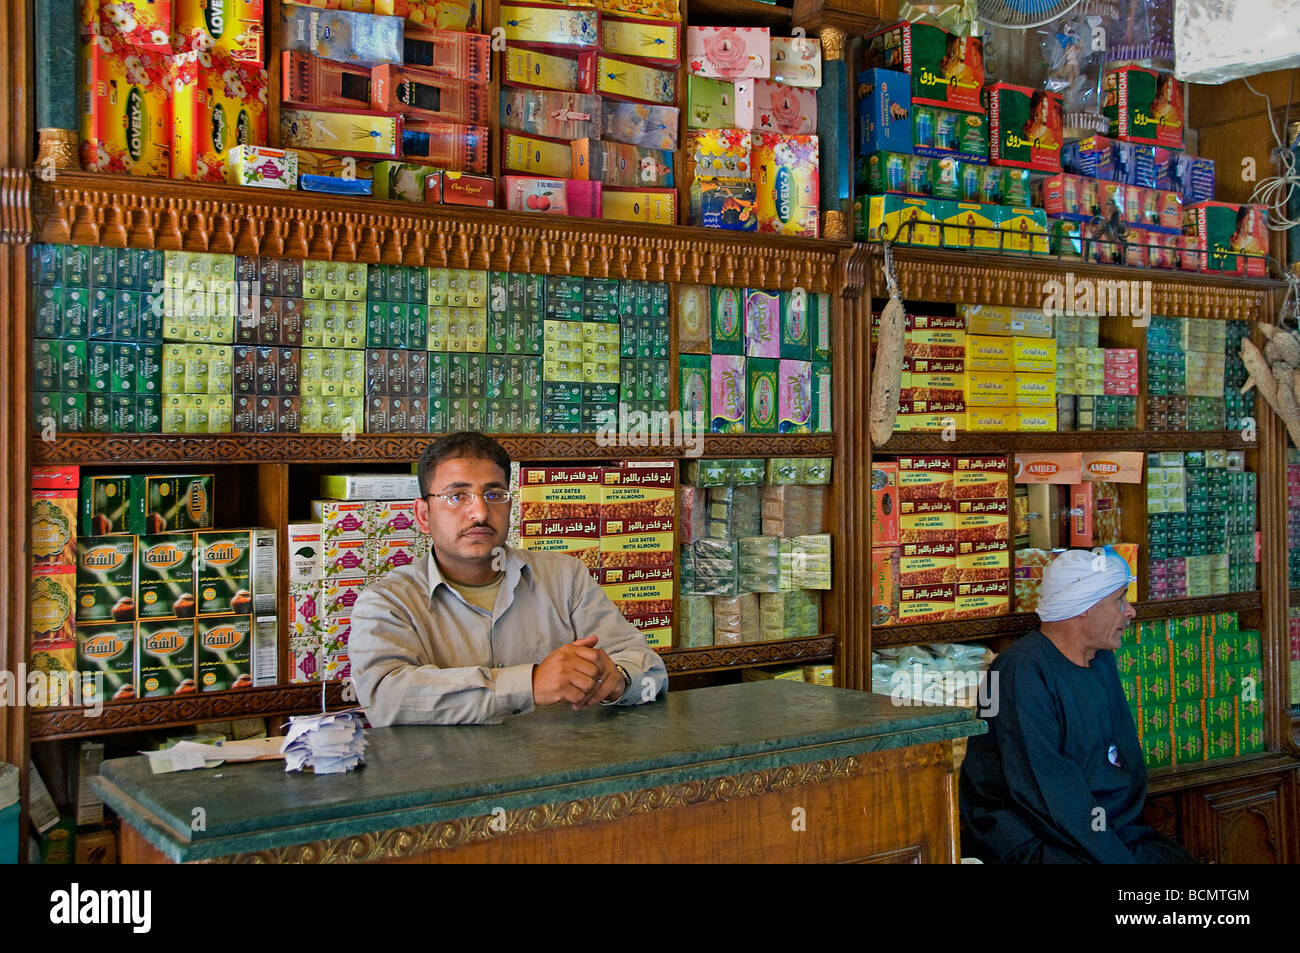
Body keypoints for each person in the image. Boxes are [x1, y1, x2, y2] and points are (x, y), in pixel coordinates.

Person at [349, 432, 668, 727]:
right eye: (457, 496)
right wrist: (530, 685)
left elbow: (653, 672)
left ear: (510, 506)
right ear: (422, 515)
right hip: (447, 781)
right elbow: (385, 699)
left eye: (494, 494)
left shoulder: (564, 576)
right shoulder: (388, 601)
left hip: (562, 772)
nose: (480, 512)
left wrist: (617, 680)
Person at [959, 548, 1196, 863]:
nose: (1131, 612)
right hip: (1035, 834)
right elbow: (1047, 787)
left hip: (1098, 825)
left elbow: (1119, 756)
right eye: (1119, 600)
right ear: (1085, 607)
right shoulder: (1019, 671)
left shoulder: (1099, 657)